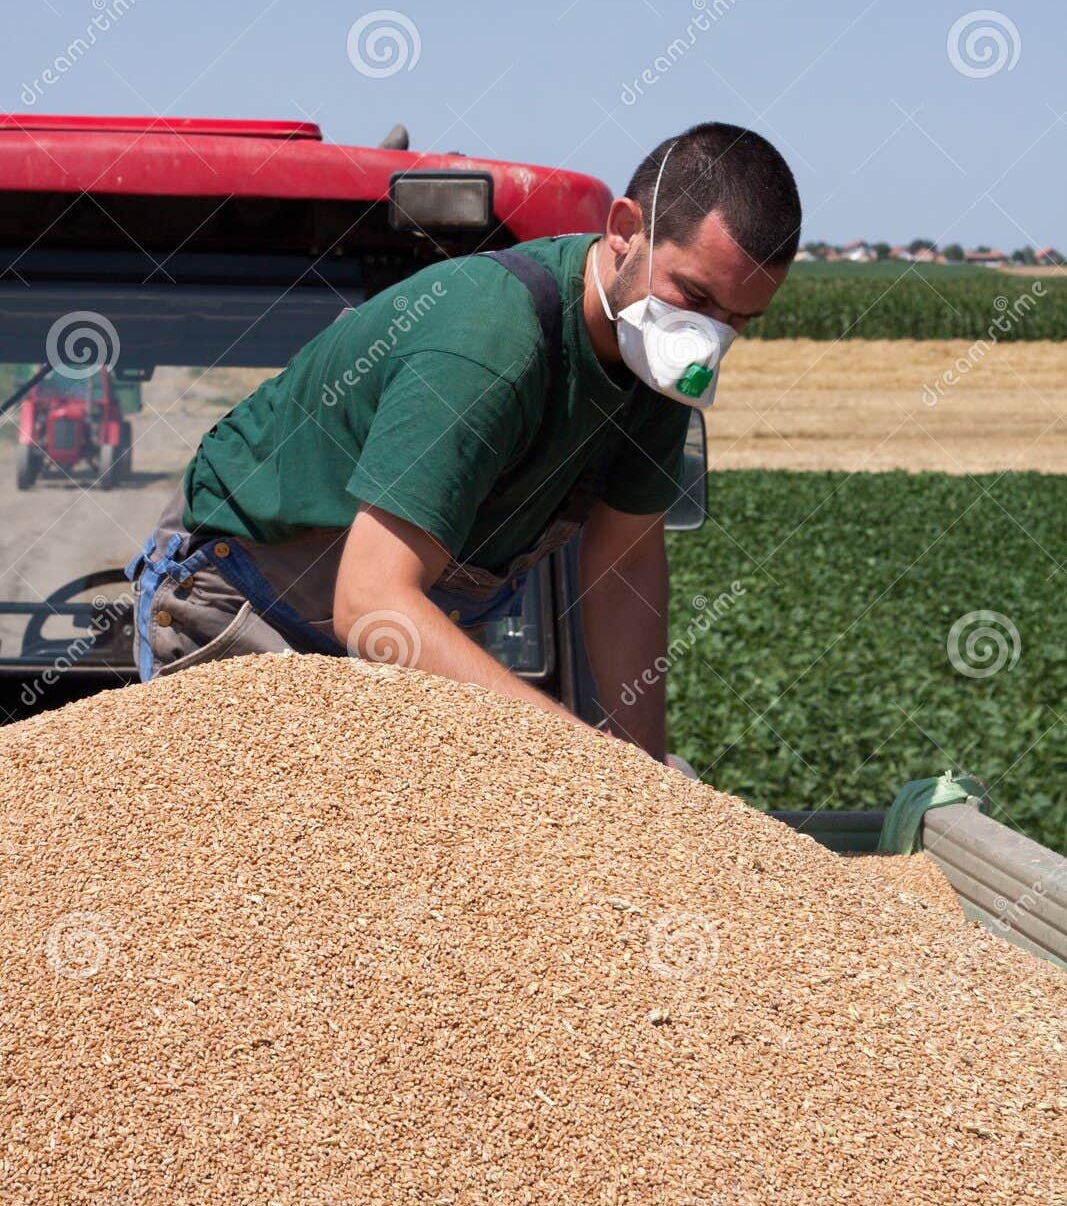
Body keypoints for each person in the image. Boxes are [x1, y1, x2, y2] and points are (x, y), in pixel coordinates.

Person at [126, 121, 800, 760]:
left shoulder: (653, 364)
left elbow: (623, 568)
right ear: (625, 230)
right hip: (248, 611)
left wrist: (645, 778)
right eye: (693, 295)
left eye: (737, 319)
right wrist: (583, 762)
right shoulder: (490, 341)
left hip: (394, 641)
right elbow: (372, 601)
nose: (705, 341)